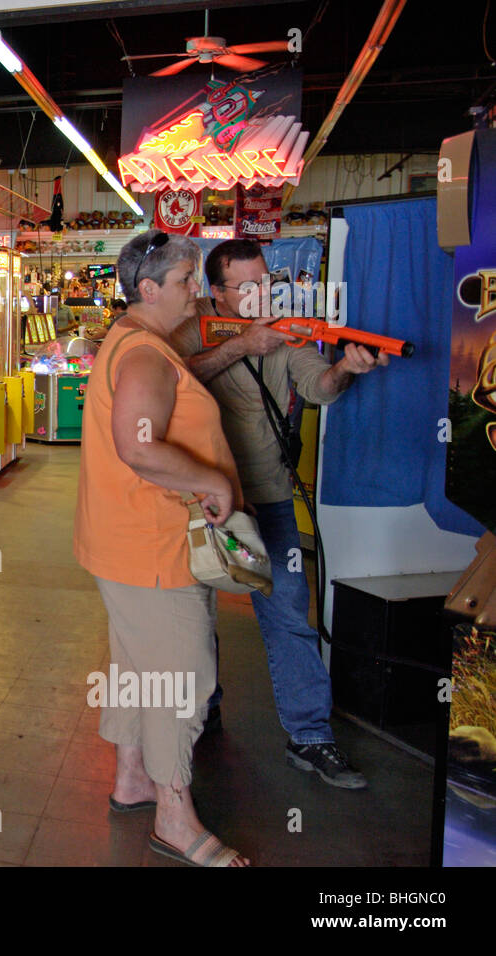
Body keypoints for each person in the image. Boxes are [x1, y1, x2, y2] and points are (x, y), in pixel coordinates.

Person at [170, 239, 388, 789]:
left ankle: (311, 736)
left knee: (290, 612)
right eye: (245, 285)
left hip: (265, 493)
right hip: (194, 495)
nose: (259, 293)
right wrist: (244, 344)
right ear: (214, 292)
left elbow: (319, 386)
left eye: (264, 281)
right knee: (192, 616)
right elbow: (169, 381)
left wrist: (347, 369)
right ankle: (203, 711)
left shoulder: (285, 324)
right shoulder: (186, 326)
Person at [74, 230, 250, 867]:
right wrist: (212, 481)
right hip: (152, 549)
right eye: (185, 283)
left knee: (135, 666)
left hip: (123, 543)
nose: (196, 294)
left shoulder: (136, 344)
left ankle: (132, 780)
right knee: (182, 677)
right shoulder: (145, 354)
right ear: (148, 289)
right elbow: (139, 446)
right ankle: (174, 816)